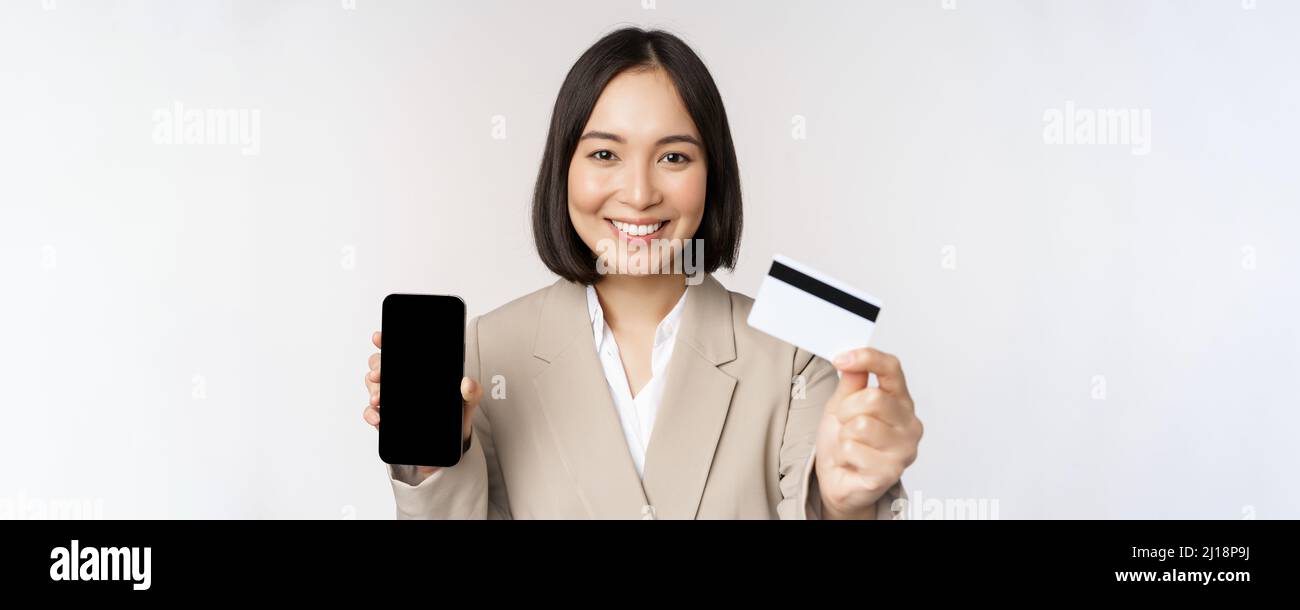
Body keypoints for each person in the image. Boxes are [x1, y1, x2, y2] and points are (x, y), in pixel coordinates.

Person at [362, 27, 922, 519]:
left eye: (674, 157)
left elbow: (830, 501)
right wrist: (433, 467)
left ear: (713, 176)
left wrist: (846, 506)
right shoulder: (490, 349)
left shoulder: (794, 353)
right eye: (605, 154)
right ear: (563, 168)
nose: (638, 193)